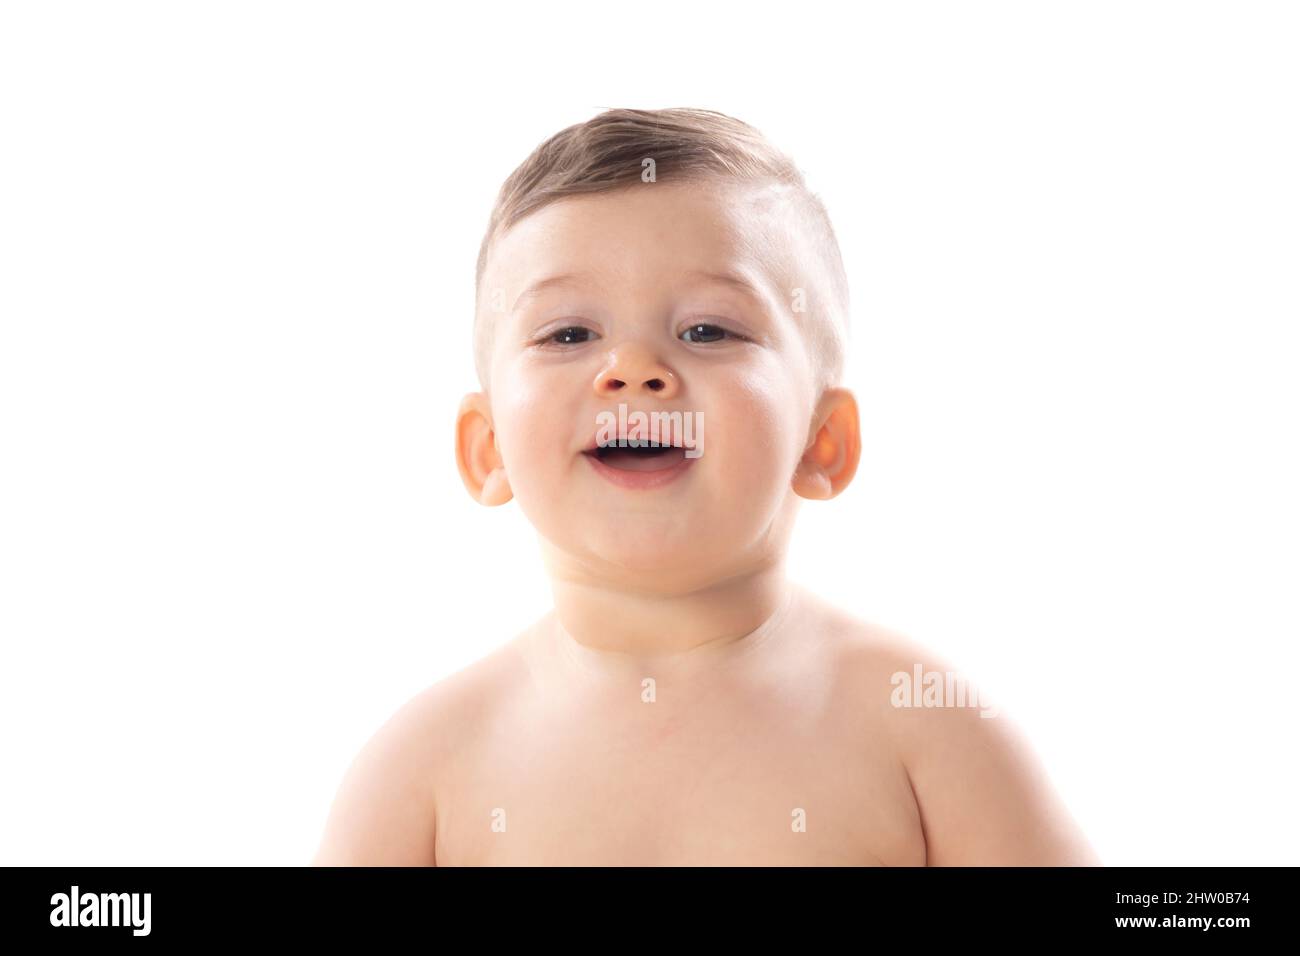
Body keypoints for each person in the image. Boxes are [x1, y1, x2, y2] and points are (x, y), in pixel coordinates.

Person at [312, 107, 1100, 866]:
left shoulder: (924, 728)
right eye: (569, 334)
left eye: (707, 330)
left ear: (822, 443)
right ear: (487, 451)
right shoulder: (424, 769)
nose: (632, 369)